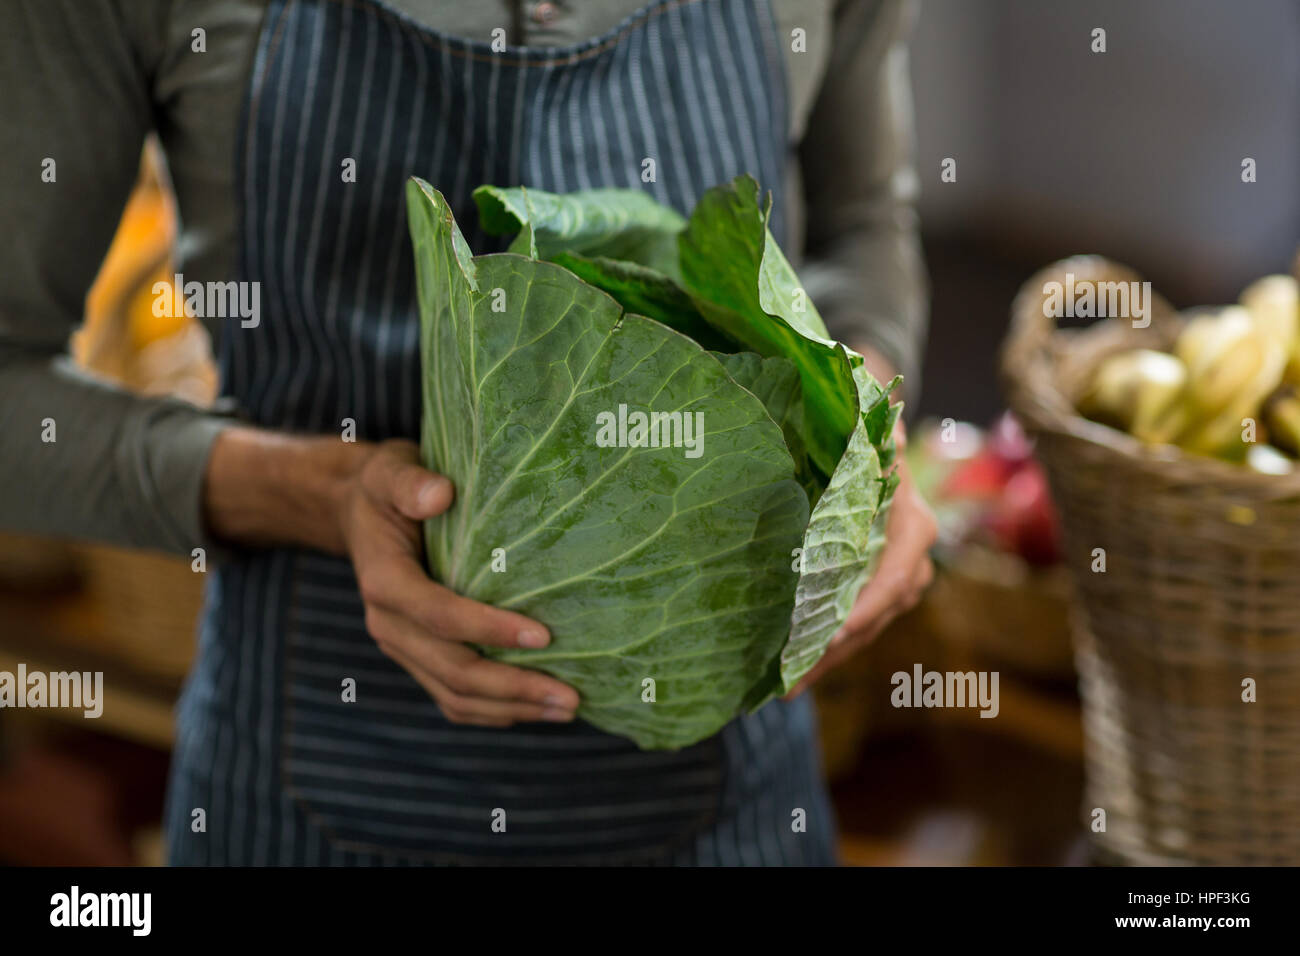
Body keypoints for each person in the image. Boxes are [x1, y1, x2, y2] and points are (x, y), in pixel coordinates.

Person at [0, 0, 935, 865]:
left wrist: (861, 443)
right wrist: (321, 493)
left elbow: (862, 228)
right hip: (299, 798)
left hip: (741, 808)